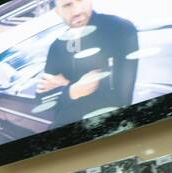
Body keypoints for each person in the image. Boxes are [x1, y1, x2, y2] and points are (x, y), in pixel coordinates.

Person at [36, 0, 139, 128]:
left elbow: (120, 100)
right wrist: (72, 91)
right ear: (58, 11)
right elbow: (41, 100)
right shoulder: (57, 47)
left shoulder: (118, 28)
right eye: (67, 5)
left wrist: (66, 87)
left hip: (107, 125)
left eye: (80, 0)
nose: (77, 11)